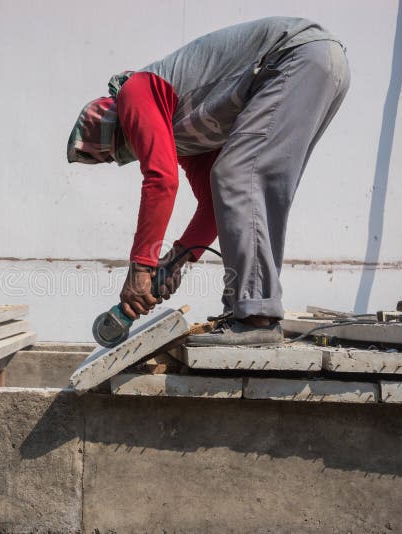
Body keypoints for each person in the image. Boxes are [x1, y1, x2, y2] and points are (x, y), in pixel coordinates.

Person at [66, 17, 350, 345]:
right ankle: (252, 310)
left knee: (239, 173)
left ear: (116, 126)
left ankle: (256, 316)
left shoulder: (135, 93)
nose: (126, 157)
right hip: (318, 62)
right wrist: (177, 259)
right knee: (238, 178)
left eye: (115, 152)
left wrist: (141, 268)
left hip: (295, 57)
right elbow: (218, 204)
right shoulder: (183, 130)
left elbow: (161, 180)